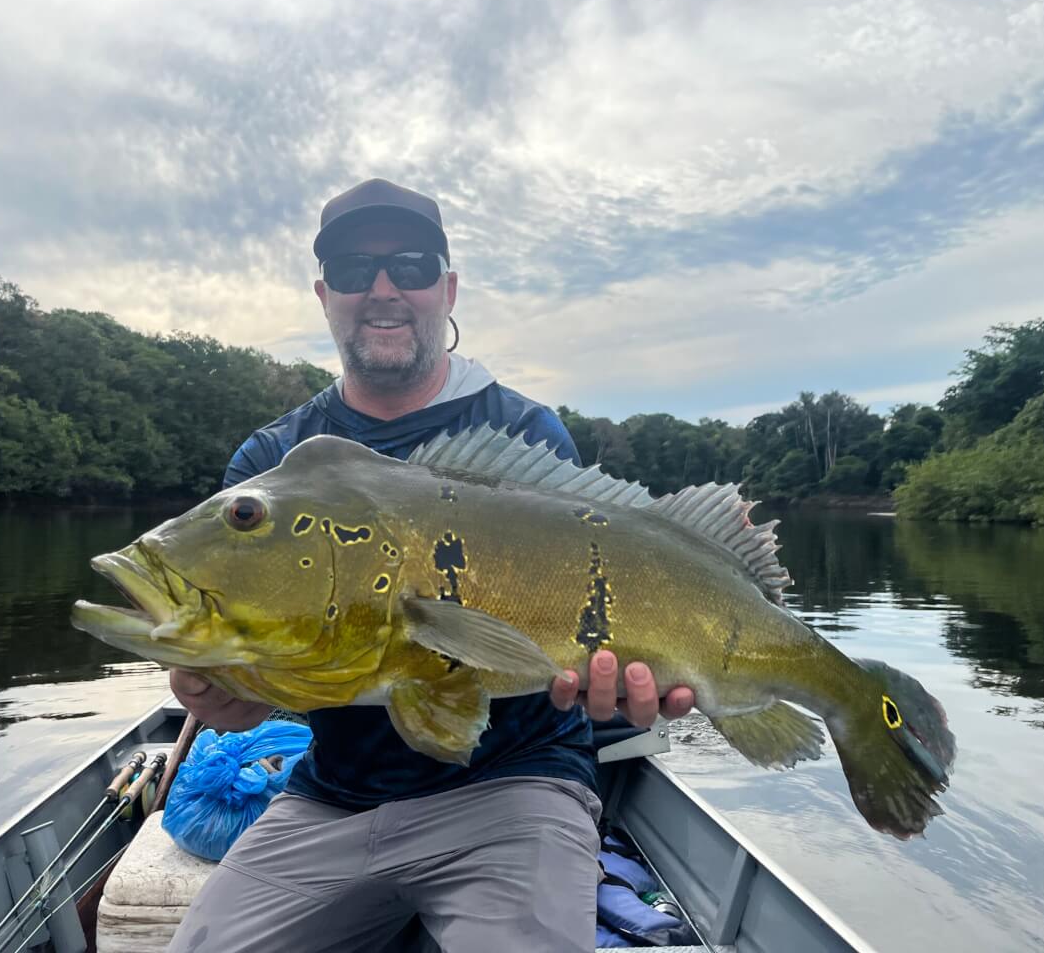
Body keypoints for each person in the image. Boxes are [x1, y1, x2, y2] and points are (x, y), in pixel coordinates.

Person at [167, 179, 695, 953]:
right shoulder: (271, 464)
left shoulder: (523, 433)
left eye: (409, 266)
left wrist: (615, 693)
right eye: (352, 270)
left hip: (514, 786)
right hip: (332, 798)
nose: (382, 290)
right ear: (324, 295)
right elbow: (247, 704)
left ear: (445, 289)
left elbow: (577, 634)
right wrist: (215, 689)